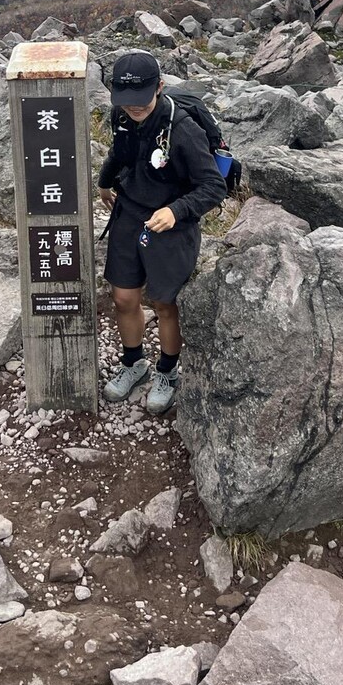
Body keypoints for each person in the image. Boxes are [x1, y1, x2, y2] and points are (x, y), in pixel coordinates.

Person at [97, 50, 228, 415]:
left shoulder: (182, 128)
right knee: (123, 297)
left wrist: (176, 211)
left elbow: (213, 186)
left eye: (140, 101)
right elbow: (120, 152)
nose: (133, 108)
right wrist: (105, 183)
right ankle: (134, 363)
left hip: (172, 224)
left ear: (160, 86)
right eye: (125, 102)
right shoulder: (121, 114)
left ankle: (168, 371)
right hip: (129, 214)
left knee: (165, 303)